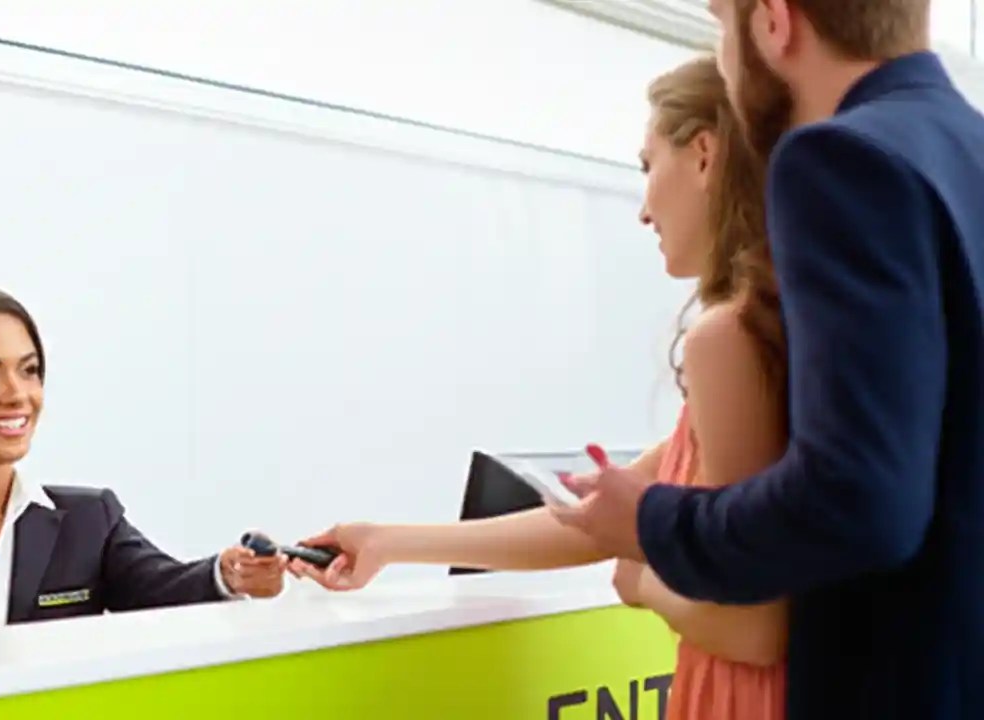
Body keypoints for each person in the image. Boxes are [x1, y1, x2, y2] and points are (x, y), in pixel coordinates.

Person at [291, 57, 789, 718]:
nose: (643, 209)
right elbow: (588, 520)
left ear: (704, 154)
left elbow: (755, 626)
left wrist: (642, 580)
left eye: (647, 166)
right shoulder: (789, 324)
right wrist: (389, 541)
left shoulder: (726, 339)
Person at [552, 1, 984, 718]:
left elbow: (863, 500)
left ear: (775, 22)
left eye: (723, 25)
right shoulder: (968, 148)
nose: (725, 57)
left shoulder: (841, 159)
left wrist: (655, 524)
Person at [0, 283, 285, 639]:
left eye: (29, 370)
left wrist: (231, 575)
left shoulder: (89, 521)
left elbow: (168, 591)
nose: (17, 394)